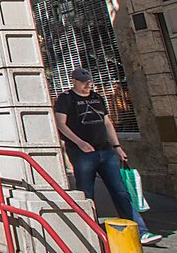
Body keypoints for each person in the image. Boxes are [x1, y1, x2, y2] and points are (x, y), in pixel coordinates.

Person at [54, 68, 161, 246]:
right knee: (86, 194)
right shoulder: (66, 99)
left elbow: (107, 122)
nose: (88, 85)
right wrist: (79, 142)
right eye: (83, 82)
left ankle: (140, 231)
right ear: (74, 81)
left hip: (105, 151)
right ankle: (89, 231)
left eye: (89, 81)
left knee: (120, 191)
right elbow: (60, 124)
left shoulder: (96, 97)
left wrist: (117, 146)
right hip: (82, 154)